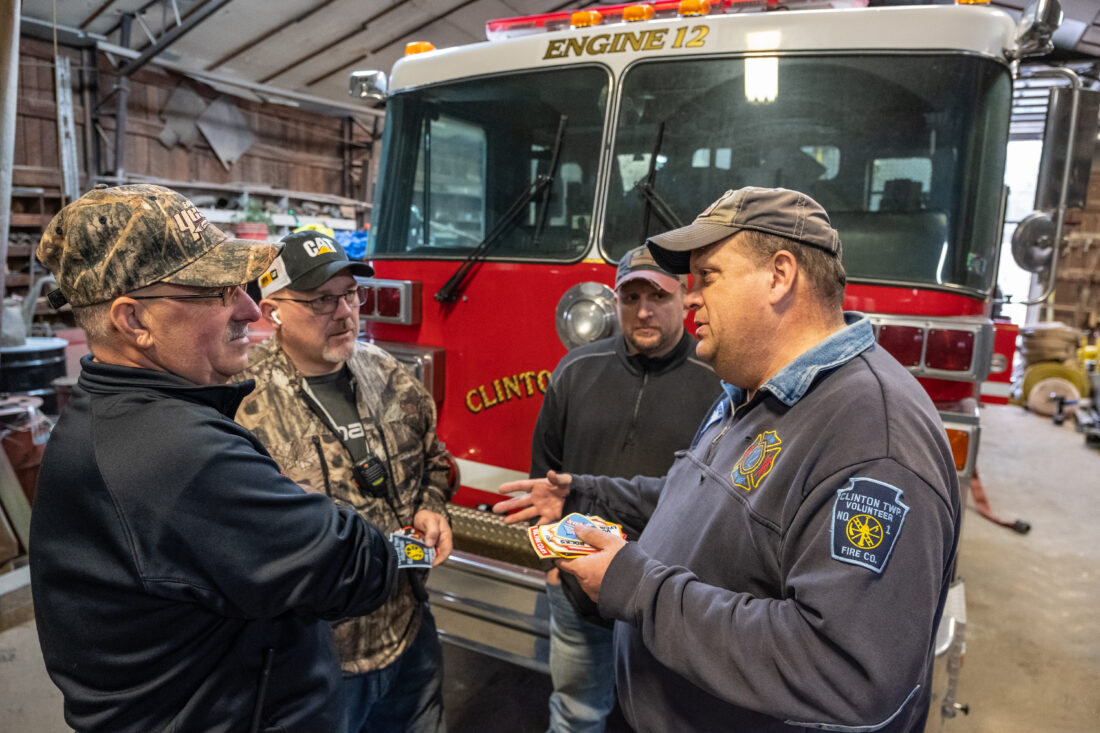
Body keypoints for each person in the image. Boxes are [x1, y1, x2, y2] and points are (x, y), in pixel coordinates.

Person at [496, 187, 960, 732]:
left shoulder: (873, 441)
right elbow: (694, 498)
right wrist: (584, 494)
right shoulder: (755, 390)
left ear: (779, 276)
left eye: (707, 276)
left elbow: (845, 671)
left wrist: (640, 589)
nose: (689, 298)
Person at [29, 184, 401, 733]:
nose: (250, 308)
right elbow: (360, 568)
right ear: (135, 321)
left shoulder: (113, 415)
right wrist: (310, 505)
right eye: (217, 292)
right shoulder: (177, 454)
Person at [234, 230, 455, 733]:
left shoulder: (387, 374)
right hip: (315, 663)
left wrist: (431, 505)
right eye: (320, 300)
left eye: (351, 295)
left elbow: (434, 459)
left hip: (408, 629)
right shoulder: (241, 402)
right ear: (272, 310)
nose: (344, 313)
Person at [522, 245, 721, 733]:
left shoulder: (718, 384)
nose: (644, 311)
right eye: (631, 297)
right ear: (615, 302)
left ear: (685, 298)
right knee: (576, 716)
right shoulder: (575, 370)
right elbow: (545, 477)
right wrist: (554, 566)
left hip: (666, 601)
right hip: (578, 596)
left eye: (658, 296)